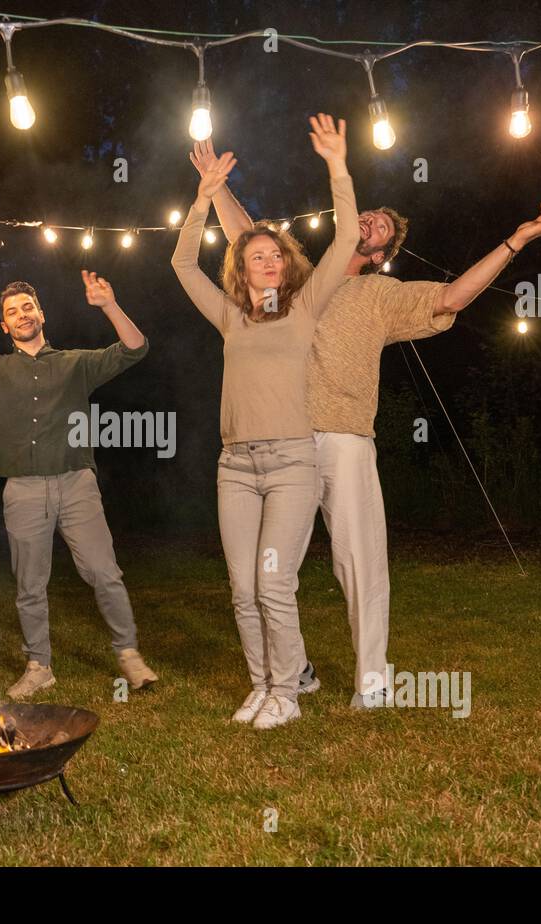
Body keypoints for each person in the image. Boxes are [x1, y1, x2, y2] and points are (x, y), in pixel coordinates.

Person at [196, 139, 541, 709]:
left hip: (344, 438)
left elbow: (453, 296)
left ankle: (372, 682)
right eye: (365, 214)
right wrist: (214, 183)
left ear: (380, 253)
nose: (368, 219)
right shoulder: (300, 279)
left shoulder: (384, 295)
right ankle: (292, 674)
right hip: (285, 441)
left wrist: (515, 242)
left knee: (358, 561)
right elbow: (245, 238)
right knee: (269, 572)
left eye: (377, 226)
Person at [171, 114, 360, 730]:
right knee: (243, 588)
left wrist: (337, 165)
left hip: (290, 465)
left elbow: (349, 235)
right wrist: (201, 200)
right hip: (235, 467)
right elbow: (182, 266)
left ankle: (288, 690)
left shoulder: (305, 311)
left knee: (273, 582)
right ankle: (262, 686)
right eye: (256, 256)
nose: (268, 262)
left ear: (286, 264)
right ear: (243, 270)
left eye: (275, 254)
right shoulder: (231, 319)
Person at [0, 270, 158, 699]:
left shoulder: (76, 363)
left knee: (103, 571)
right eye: (12, 312)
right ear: (4, 327)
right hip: (22, 489)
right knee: (29, 583)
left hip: (77, 482)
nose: (22, 314)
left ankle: (129, 654)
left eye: (28, 306)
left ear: (41, 313)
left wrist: (108, 305)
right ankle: (39, 665)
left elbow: (136, 348)